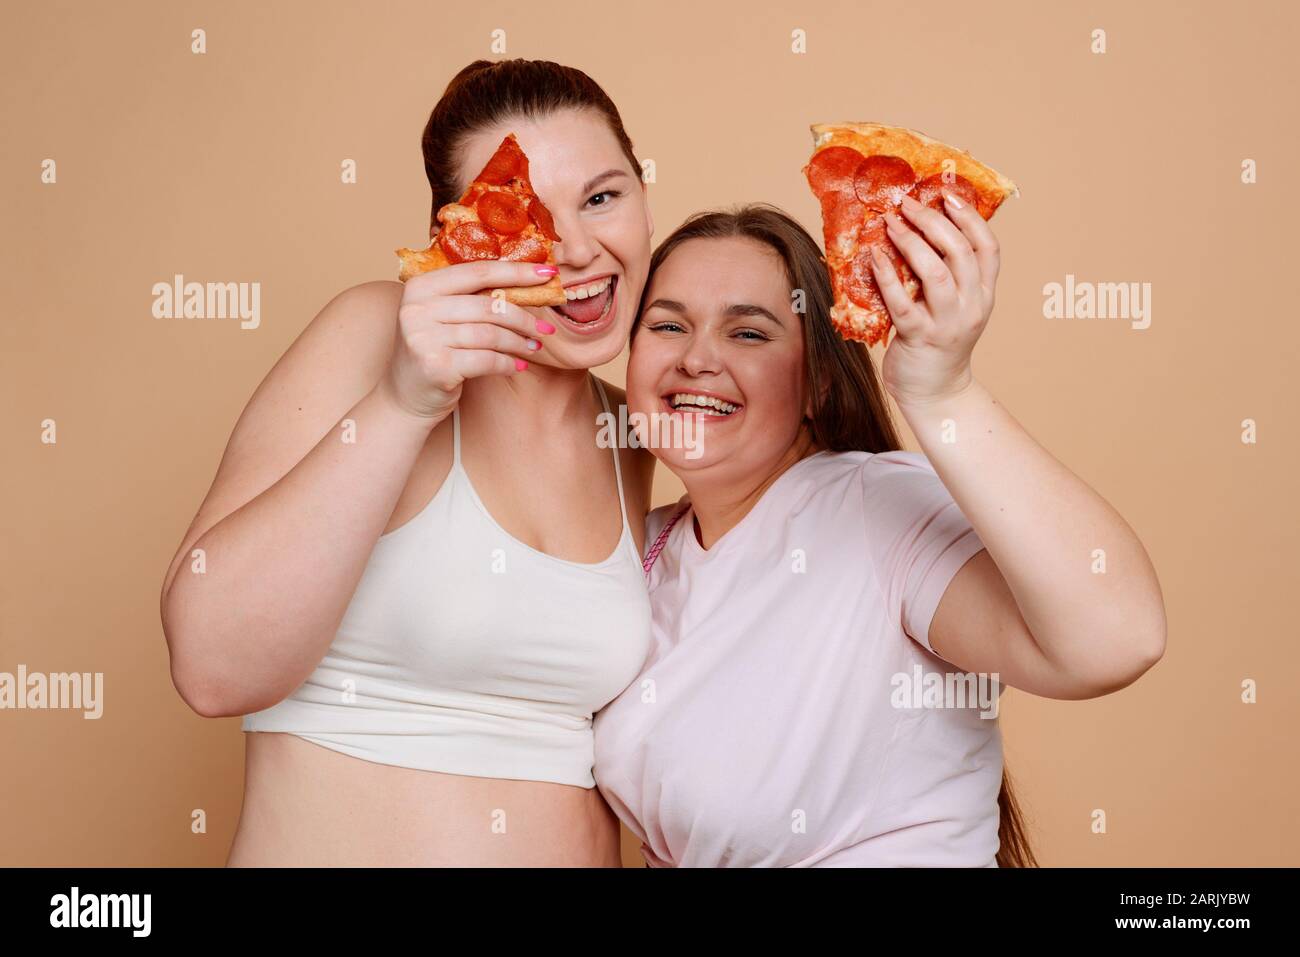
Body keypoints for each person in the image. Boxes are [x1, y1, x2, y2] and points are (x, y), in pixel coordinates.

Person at [159, 59, 659, 866]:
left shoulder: (636, 433)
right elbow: (210, 667)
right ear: (454, 239)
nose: (574, 248)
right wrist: (402, 404)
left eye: (602, 197)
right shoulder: (372, 336)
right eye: (523, 213)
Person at [592, 202, 1167, 867]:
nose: (697, 358)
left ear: (819, 380)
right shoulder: (641, 549)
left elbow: (1118, 637)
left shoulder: (879, 507)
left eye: (747, 333)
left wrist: (943, 393)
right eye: (668, 325)